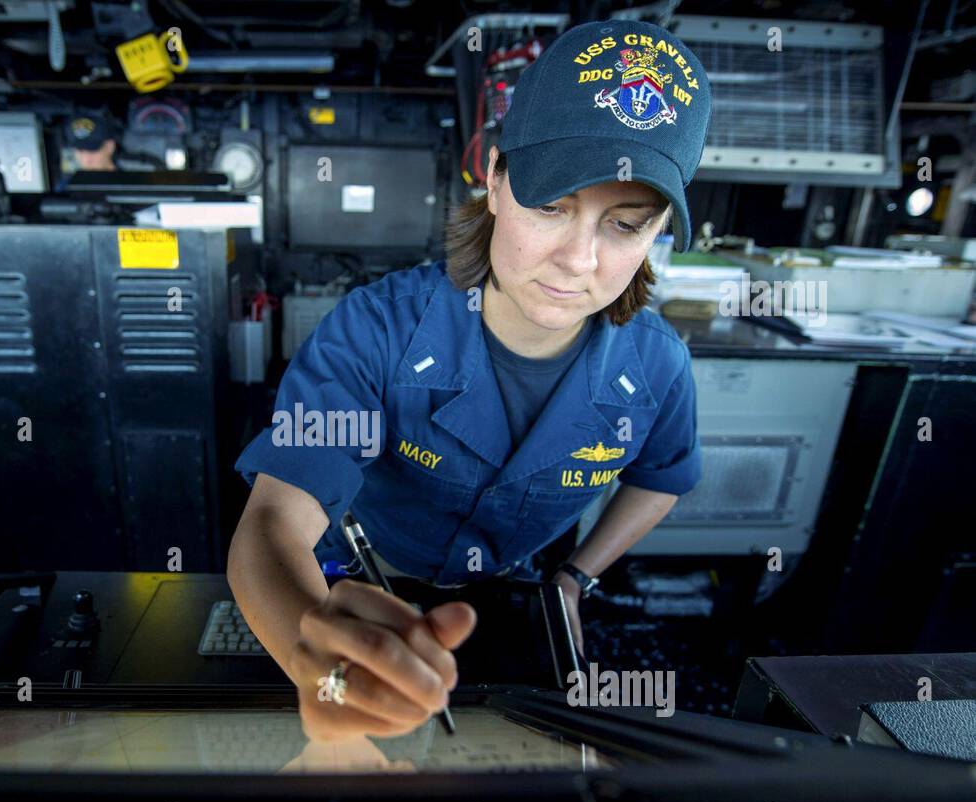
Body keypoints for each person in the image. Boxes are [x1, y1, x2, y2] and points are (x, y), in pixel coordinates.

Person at [228, 19, 713, 742]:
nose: (579, 260)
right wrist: (313, 654)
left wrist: (575, 581)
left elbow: (663, 478)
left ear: (660, 226)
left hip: (517, 598)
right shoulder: (375, 332)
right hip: (369, 584)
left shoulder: (658, 365)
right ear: (492, 178)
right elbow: (273, 523)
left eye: (625, 224)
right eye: (552, 207)